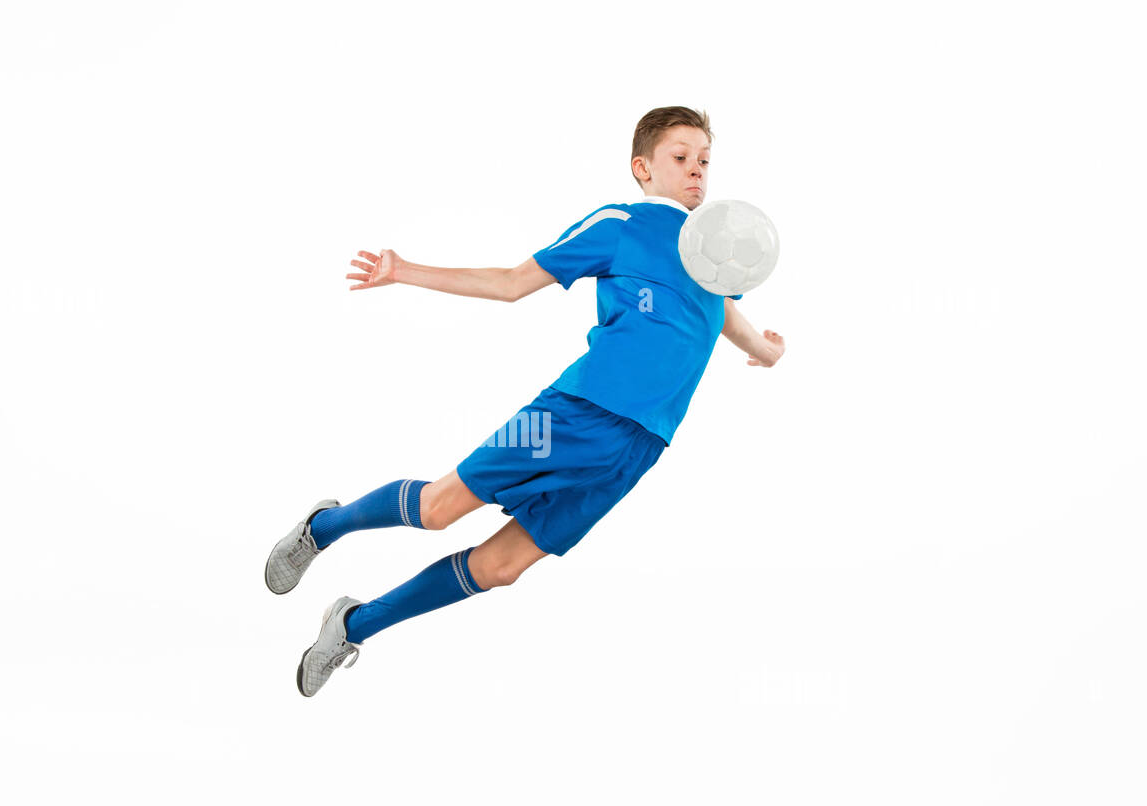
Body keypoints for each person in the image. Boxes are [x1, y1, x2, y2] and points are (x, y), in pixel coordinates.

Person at [267, 106, 786, 697]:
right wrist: (405, 270)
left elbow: (718, 310)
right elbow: (512, 283)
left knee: (500, 568)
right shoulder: (621, 225)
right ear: (642, 167)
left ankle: (352, 625)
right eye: (682, 157)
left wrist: (765, 350)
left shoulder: (715, 250)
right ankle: (322, 528)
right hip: (568, 414)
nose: (696, 170)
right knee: (438, 509)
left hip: (640, 447)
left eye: (705, 161)